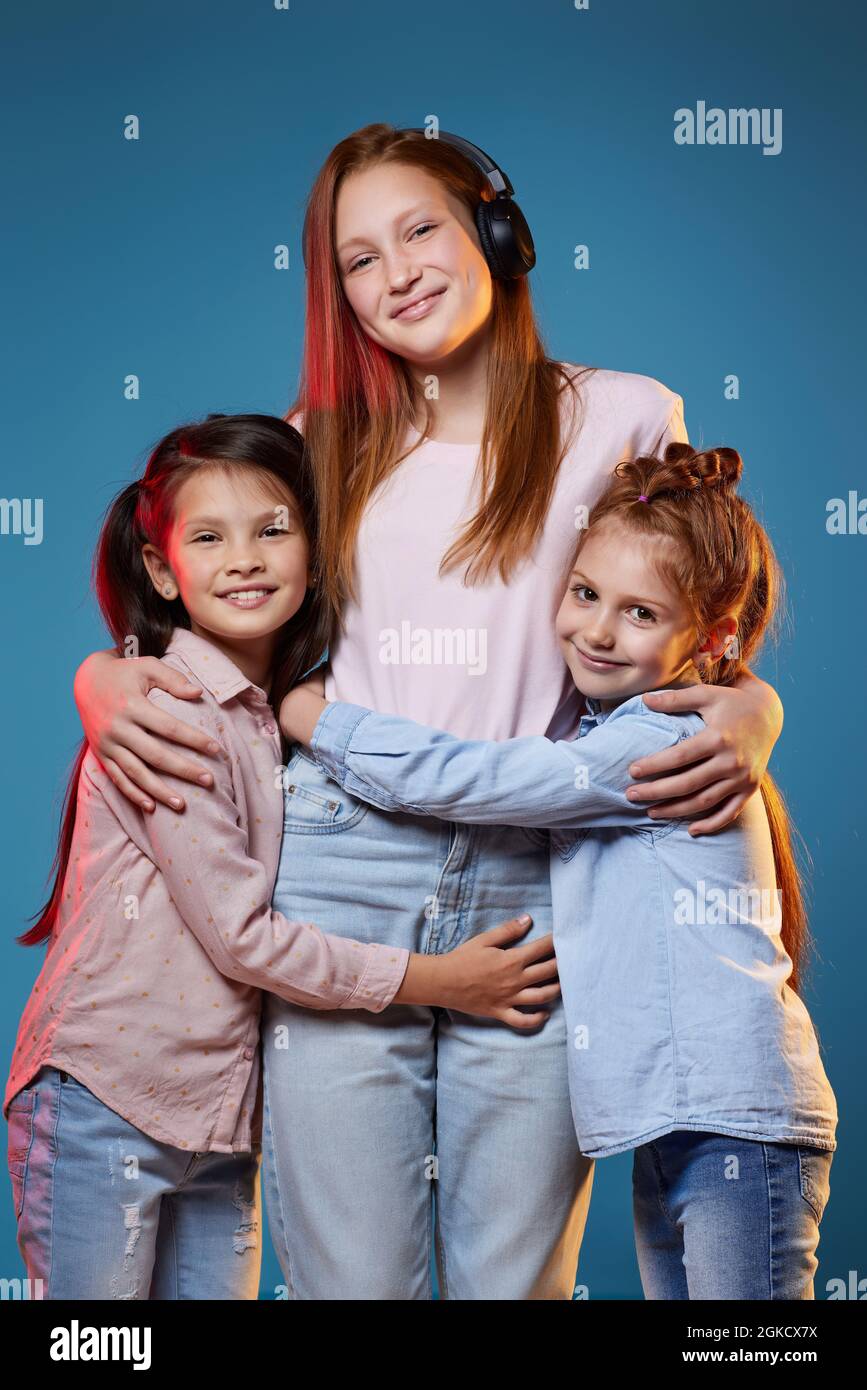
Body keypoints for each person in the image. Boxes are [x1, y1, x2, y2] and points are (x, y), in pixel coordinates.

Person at [71, 125, 785, 1299]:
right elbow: (220, 604)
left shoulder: (624, 415)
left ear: (499, 237)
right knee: (353, 1282)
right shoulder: (317, 444)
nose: (394, 271)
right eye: (357, 258)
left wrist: (752, 708)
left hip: (537, 876)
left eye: (420, 230)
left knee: (518, 1282)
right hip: (340, 870)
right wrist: (100, 677)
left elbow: (690, 596)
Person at [4, 413, 558, 1300]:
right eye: (209, 538)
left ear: (316, 543)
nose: (246, 559)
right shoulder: (170, 712)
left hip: (220, 1125)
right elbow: (243, 940)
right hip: (106, 1102)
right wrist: (443, 980)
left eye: (273, 529)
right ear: (161, 570)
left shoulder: (288, 716)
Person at [281, 441, 838, 1301]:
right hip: (683, 1121)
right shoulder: (615, 727)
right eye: (584, 594)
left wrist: (321, 720)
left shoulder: (656, 742)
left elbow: (480, 778)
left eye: (640, 614)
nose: (597, 630)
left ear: (714, 635)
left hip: (738, 1122)